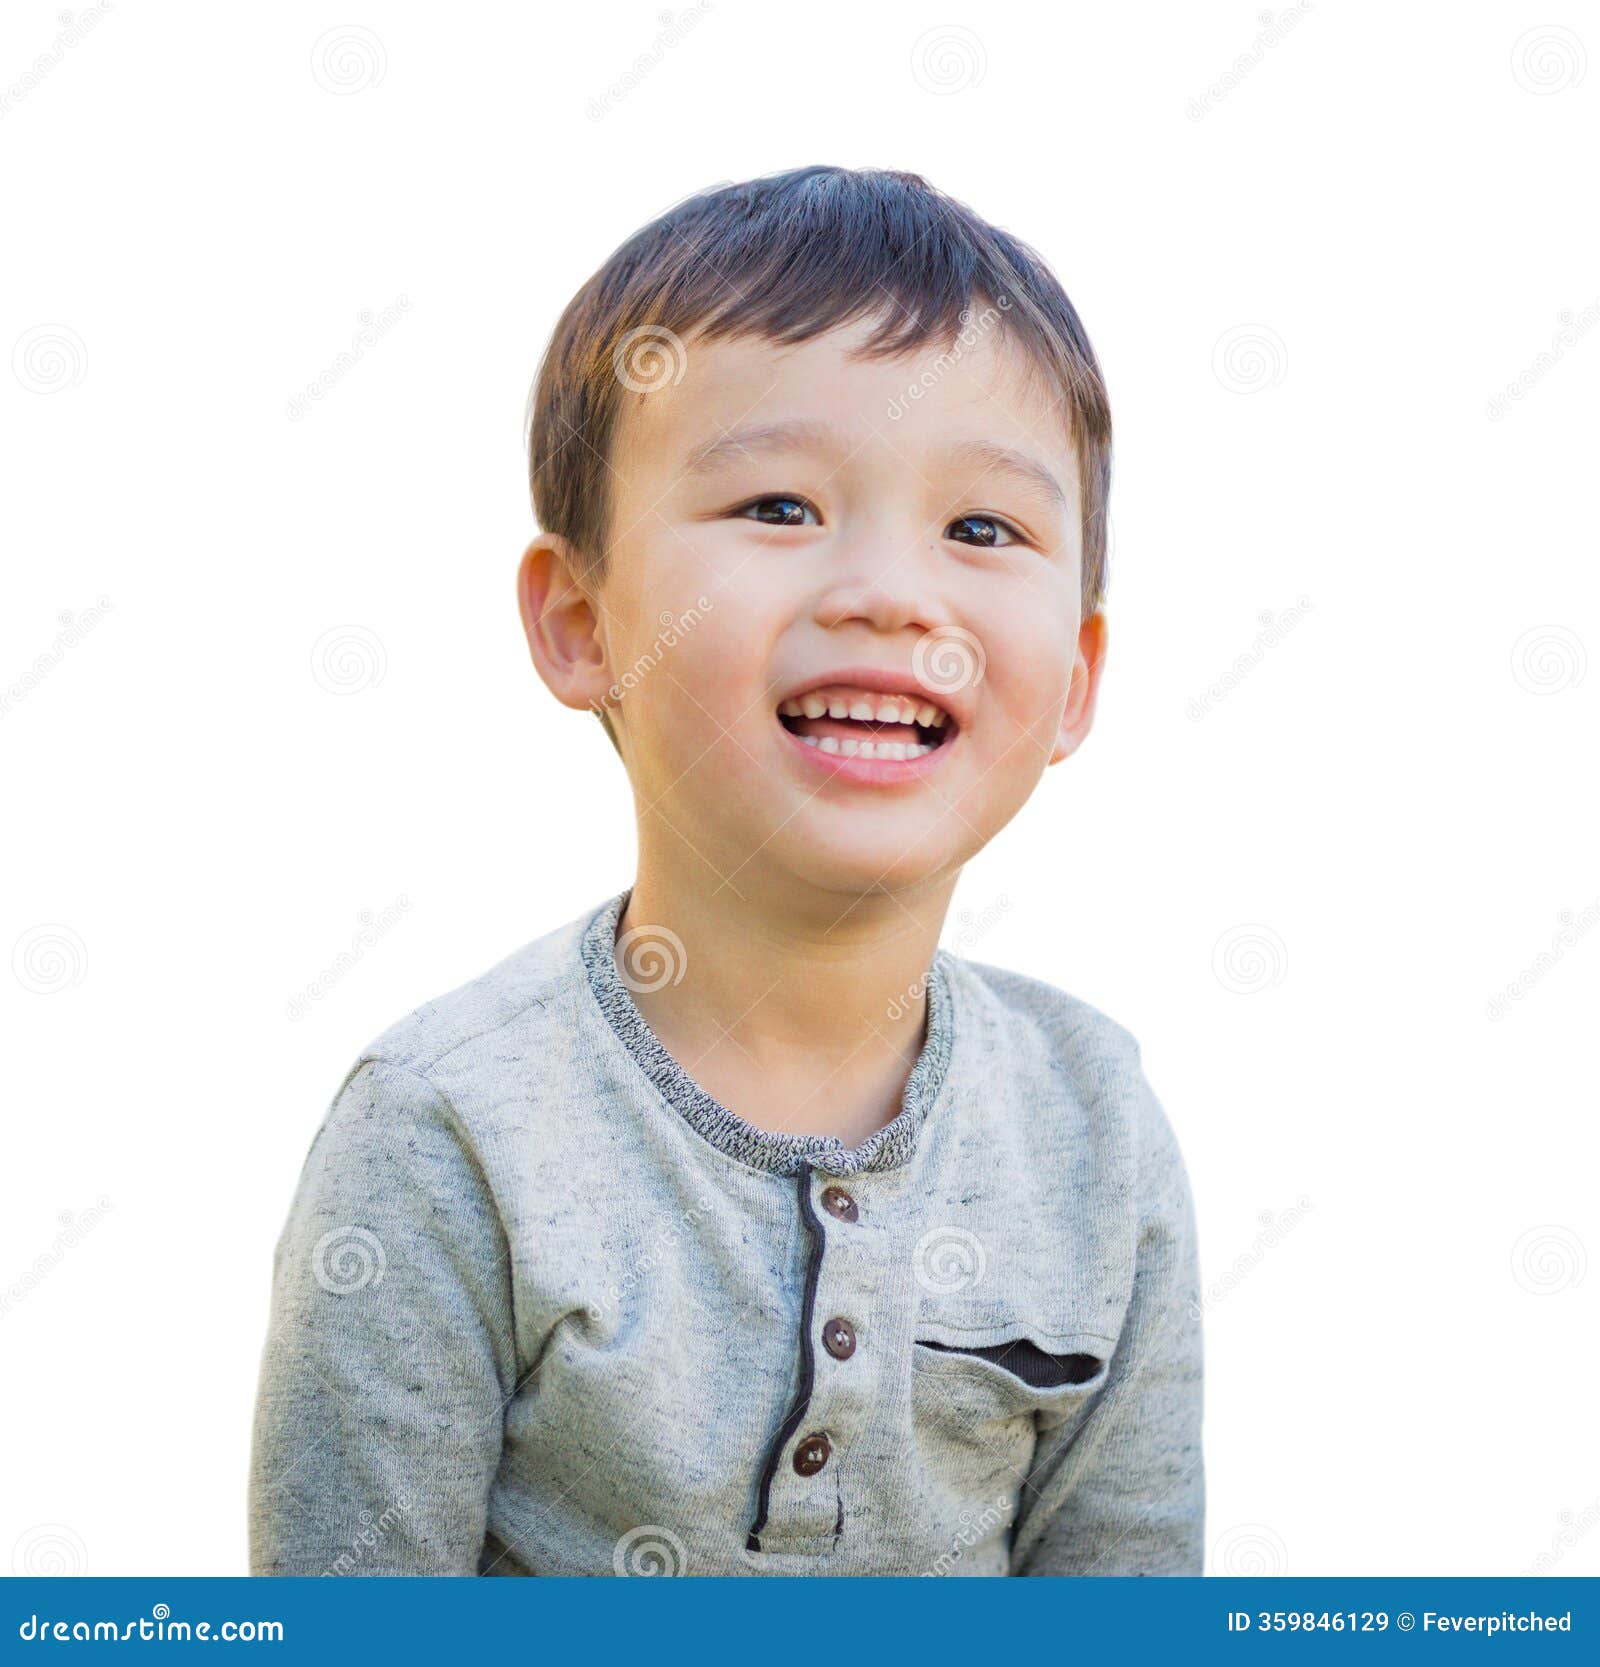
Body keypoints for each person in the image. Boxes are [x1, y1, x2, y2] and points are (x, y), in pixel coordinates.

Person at [248, 164, 1203, 1578]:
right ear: (580, 620)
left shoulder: (1095, 1127)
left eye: (983, 528)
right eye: (775, 506)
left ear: (1077, 678)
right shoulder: (451, 1135)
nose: (891, 589)